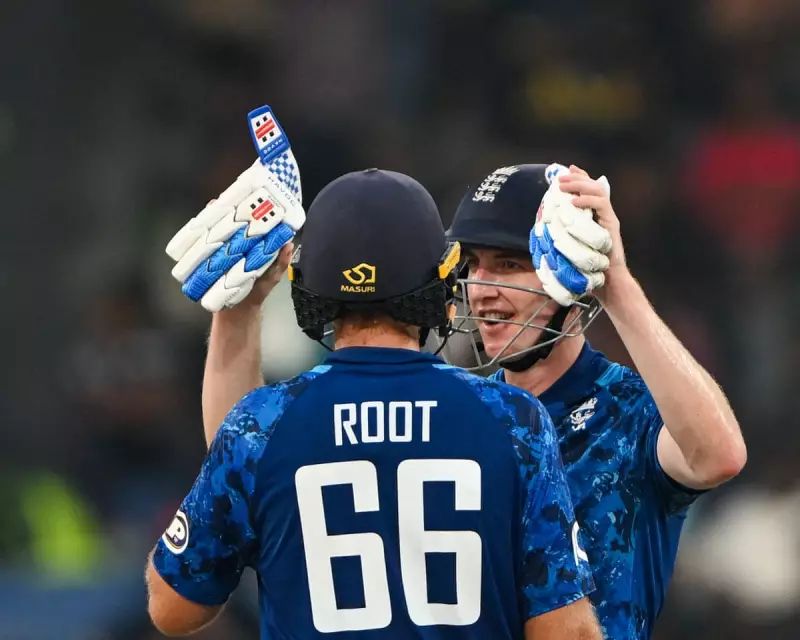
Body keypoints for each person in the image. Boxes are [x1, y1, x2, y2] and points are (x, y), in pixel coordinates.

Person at [145, 167, 602, 639]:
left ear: (308, 289)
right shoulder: (513, 420)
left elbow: (173, 609)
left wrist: (237, 311)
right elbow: (569, 633)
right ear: (440, 284)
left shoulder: (261, 423)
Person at [444, 163, 747, 638]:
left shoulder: (624, 409)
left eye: (508, 264)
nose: (481, 289)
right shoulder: (459, 417)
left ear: (568, 268)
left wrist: (615, 281)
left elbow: (718, 457)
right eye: (472, 264)